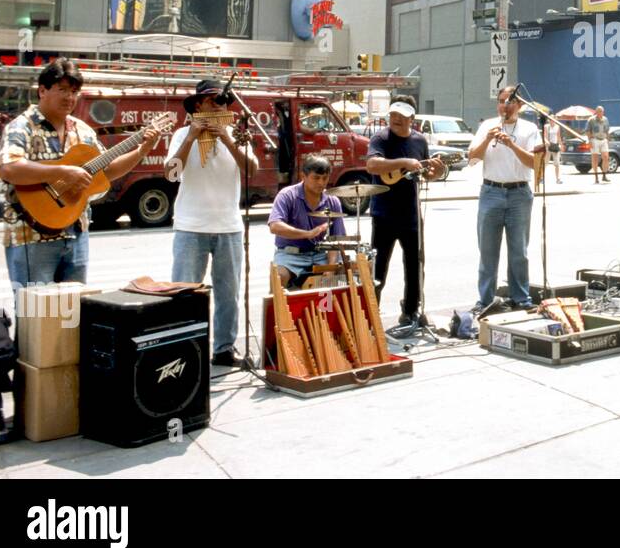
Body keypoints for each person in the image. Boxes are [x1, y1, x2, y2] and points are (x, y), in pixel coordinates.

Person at [0, 60, 160, 293]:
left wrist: (141, 151)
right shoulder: (21, 127)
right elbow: (9, 168)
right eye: (62, 90)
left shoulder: (82, 130)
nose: (69, 97)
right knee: (34, 314)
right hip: (31, 235)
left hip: (76, 233)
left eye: (74, 92)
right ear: (42, 90)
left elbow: (107, 171)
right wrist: (62, 171)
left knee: (72, 313)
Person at [167, 79, 258, 368]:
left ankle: (224, 349)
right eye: (213, 102)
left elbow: (252, 170)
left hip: (229, 227)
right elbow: (171, 174)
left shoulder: (237, 135)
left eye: (223, 102)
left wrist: (229, 140)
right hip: (190, 226)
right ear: (198, 106)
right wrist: (191, 138)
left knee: (228, 294)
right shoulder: (182, 134)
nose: (220, 106)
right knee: (185, 294)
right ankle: (185, 350)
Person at [364, 99, 445, 330]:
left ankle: (411, 310)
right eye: (393, 115)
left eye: (402, 116)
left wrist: (435, 172)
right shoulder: (380, 138)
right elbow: (372, 165)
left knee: (415, 265)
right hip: (384, 213)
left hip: (411, 213)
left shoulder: (419, 140)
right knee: (378, 266)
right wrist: (404, 162)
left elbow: (425, 173)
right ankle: (371, 314)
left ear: (412, 118)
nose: (396, 120)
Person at [468, 86, 541, 311]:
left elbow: (535, 163)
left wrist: (511, 144)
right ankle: (485, 300)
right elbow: (472, 157)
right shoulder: (487, 126)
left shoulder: (530, 129)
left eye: (509, 102)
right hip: (491, 192)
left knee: (519, 250)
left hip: (519, 193)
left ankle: (520, 297)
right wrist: (487, 139)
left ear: (519, 105)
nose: (504, 106)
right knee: (488, 250)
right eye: (501, 101)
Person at [267, 155, 346, 289]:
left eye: (325, 178)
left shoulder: (333, 201)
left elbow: (337, 239)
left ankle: (326, 309)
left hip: (320, 254)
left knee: (347, 274)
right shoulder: (287, 195)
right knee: (279, 276)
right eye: (316, 178)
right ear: (303, 176)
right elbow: (274, 226)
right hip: (290, 254)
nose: (321, 183)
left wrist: (331, 267)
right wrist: (307, 234)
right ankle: (276, 309)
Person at [587, 106, 611, 183]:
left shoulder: (606, 119)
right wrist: (590, 141)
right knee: (595, 159)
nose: (600, 113)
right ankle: (596, 177)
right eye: (599, 111)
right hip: (594, 139)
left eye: (601, 111)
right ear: (596, 112)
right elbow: (588, 131)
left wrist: (607, 139)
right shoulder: (591, 120)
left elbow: (607, 130)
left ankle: (604, 175)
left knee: (606, 157)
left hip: (603, 139)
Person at [543, 116, 564, 184]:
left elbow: (558, 137)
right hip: (548, 146)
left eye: (553, 120)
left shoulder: (557, 127)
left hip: (555, 146)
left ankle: (558, 179)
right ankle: (541, 178)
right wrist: (546, 141)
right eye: (551, 120)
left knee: (557, 163)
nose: (552, 121)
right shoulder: (546, 126)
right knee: (546, 162)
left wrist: (561, 145)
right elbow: (545, 136)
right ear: (549, 120)